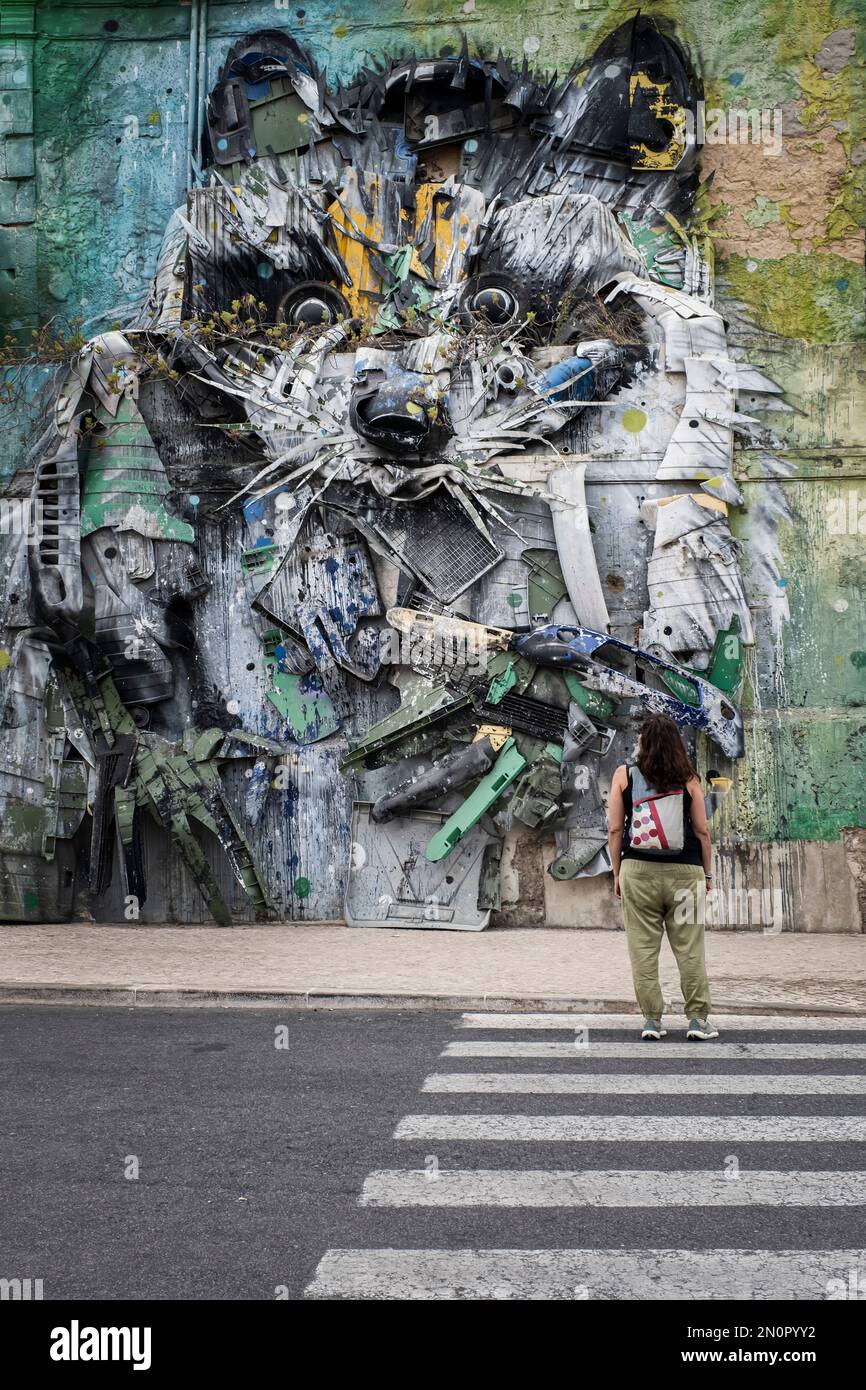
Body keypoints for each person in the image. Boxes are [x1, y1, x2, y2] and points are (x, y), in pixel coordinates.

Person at [607, 713, 718, 1041]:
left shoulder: (624, 776)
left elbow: (615, 828)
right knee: (690, 949)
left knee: (642, 948)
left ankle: (652, 1021)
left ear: (643, 742)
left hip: (637, 872)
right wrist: (707, 875)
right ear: (676, 744)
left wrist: (617, 872)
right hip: (686, 873)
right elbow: (702, 831)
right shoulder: (689, 778)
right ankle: (697, 1020)